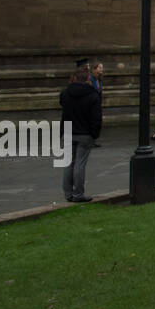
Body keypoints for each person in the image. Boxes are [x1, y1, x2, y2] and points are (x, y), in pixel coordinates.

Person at [59, 59, 101, 203]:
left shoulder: (65, 93)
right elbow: (96, 118)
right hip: (84, 133)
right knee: (79, 164)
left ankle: (68, 193)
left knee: (68, 163)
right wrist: (95, 134)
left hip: (68, 131)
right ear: (88, 79)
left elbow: (63, 107)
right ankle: (78, 194)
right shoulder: (93, 95)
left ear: (75, 78)